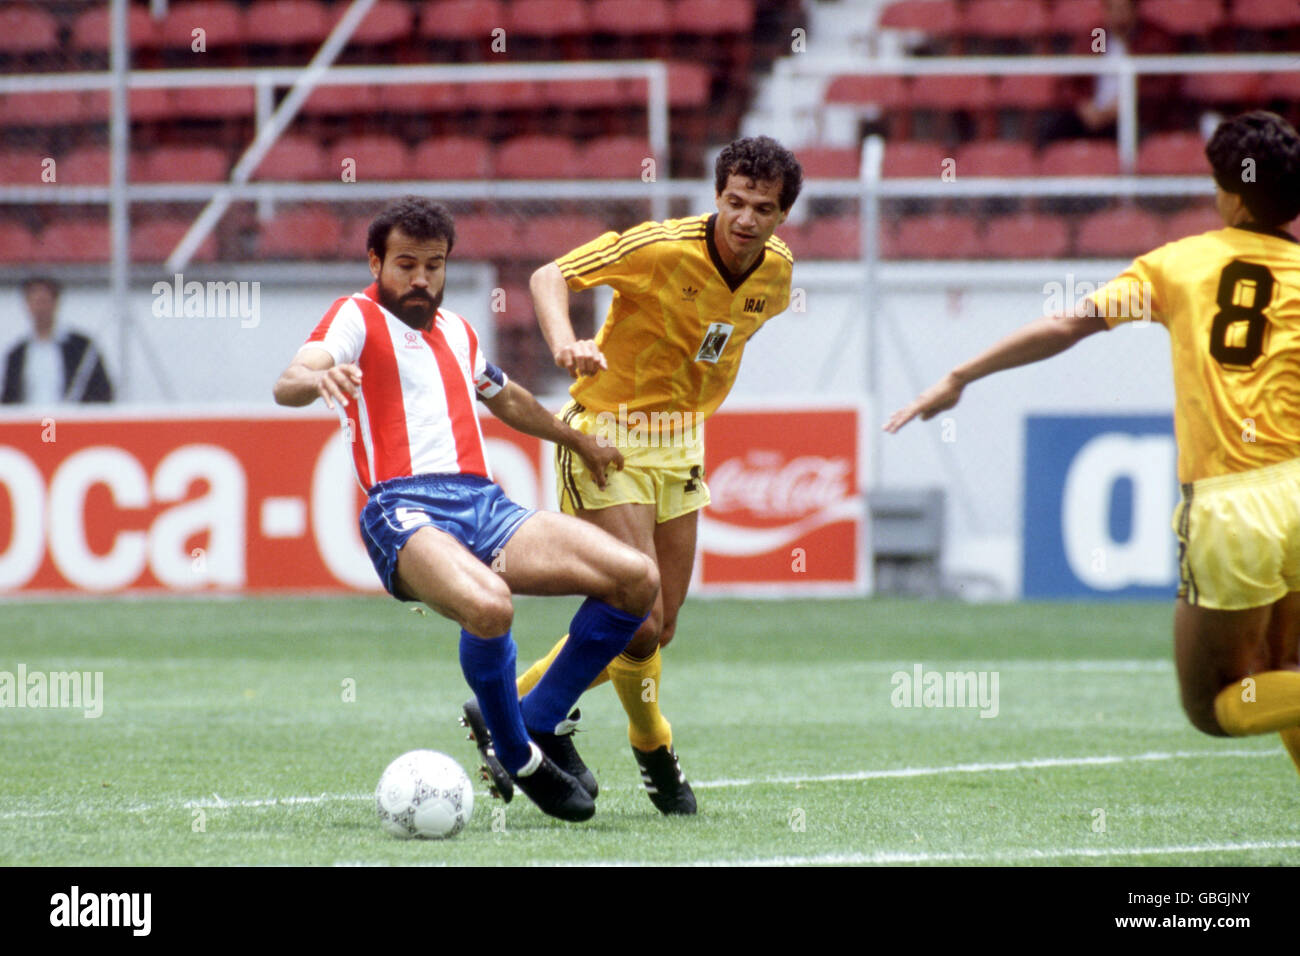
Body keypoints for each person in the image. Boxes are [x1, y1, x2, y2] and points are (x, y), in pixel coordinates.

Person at [885, 111, 1300, 777]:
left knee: (1213, 703)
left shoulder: (1181, 264)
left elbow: (1068, 324)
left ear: (1234, 197)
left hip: (1234, 506)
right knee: (1285, 672)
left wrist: (961, 376)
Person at [272, 196, 660, 822]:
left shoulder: (458, 330)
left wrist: (579, 441)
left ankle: (537, 718)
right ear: (376, 263)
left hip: (484, 503)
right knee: (489, 606)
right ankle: (519, 755)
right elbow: (290, 378)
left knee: (636, 579)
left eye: (434, 265)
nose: (421, 279)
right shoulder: (355, 317)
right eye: (405, 265)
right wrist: (316, 379)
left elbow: (506, 399)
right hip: (404, 509)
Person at [513, 136, 802, 814]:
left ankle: (512, 707)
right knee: (636, 616)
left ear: (783, 215)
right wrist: (565, 343)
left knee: (659, 626)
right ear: (717, 196)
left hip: (682, 444)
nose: (745, 218)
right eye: (735, 201)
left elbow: (718, 341)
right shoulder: (661, 247)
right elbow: (548, 276)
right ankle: (645, 744)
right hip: (606, 437)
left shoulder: (777, 275)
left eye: (763, 208)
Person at [2, 276, 113, 404]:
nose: (40, 309)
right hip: (31, 416)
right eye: (35, 302)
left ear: (55, 302)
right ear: (27, 305)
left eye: (44, 301)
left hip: (69, 416)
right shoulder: (16, 354)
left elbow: (102, 392)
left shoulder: (81, 348)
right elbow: (9, 398)